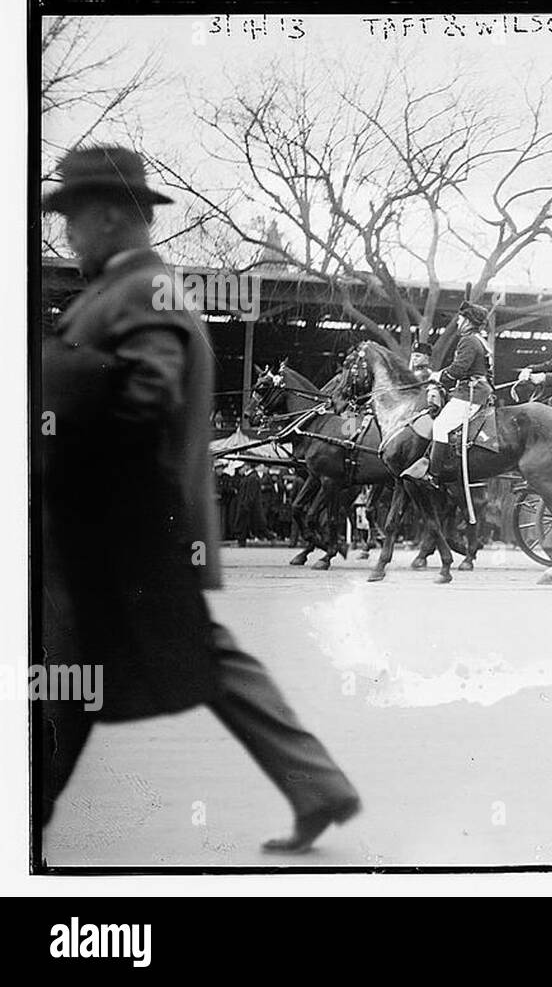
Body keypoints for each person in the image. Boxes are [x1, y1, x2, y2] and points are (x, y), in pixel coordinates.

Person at [39, 145, 360, 852]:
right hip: (132, 530)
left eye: (75, 217)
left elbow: (143, 397)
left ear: (117, 216)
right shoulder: (134, 288)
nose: (68, 234)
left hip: (119, 530)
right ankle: (318, 784)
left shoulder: (140, 292)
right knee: (187, 659)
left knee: (64, 674)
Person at [423, 302, 494, 480]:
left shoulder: (469, 341)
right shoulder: (481, 341)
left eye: (460, 318)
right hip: (479, 391)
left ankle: (434, 474)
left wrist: (439, 376)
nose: (457, 322)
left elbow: (458, 370)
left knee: (440, 425)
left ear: (468, 321)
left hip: (470, 393)